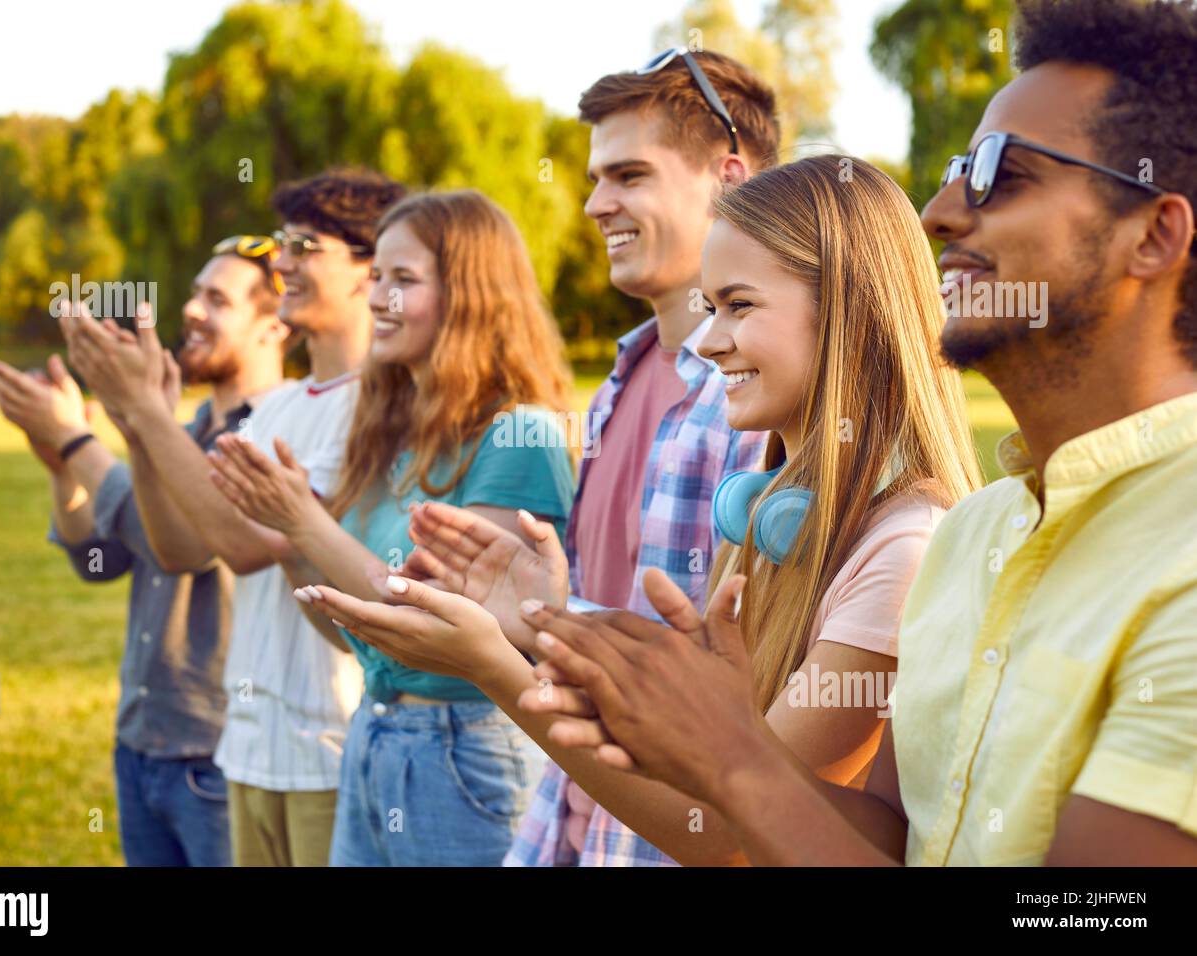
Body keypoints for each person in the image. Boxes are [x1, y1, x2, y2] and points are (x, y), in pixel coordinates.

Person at [489, 0, 1197, 866]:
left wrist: (727, 756)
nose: (937, 212)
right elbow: (893, 837)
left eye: (998, 176)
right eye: (952, 171)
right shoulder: (976, 537)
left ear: (1154, 235)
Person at [301, 152, 985, 866]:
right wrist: (550, 623)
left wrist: (496, 669)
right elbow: (688, 743)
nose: (711, 341)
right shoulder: (774, 510)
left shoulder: (902, 550)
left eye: (739, 306)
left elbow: (726, 827)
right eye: (710, 307)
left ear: (847, 307)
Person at [356, 48, 779, 867]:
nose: (594, 204)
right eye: (594, 178)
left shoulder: (765, 393)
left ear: (728, 178)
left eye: (628, 176)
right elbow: (604, 628)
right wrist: (539, 618)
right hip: (576, 822)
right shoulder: (618, 382)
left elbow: (759, 666)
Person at [209, 190, 576, 866]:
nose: (378, 297)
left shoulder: (519, 433)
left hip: (464, 751)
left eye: (403, 280)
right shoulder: (393, 430)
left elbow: (441, 632)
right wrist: (293, 546)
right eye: (377, 275)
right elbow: (360, 640)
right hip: (374, 733)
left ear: (470, 296)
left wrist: (303, 523)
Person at [60, 168, 406, 866]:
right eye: (283, 245)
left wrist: (146, 414)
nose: (284, 264)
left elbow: (250, 544)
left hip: (324, 754)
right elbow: (186, 544)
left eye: (305, 247)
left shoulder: (380, 408)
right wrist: (138, 421)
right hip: (246, 750)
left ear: (372, 266)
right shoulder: (278, 409)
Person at [0, 239, 289, 865]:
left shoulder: (274, 435)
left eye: (218, 299)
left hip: (216, 752)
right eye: (196, 292)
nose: (192, 309)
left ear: (273, 328)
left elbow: (186, 547)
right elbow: (102, 558)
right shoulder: (190, 428)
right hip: (141, 741)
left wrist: (75, 439)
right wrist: (61, 469)